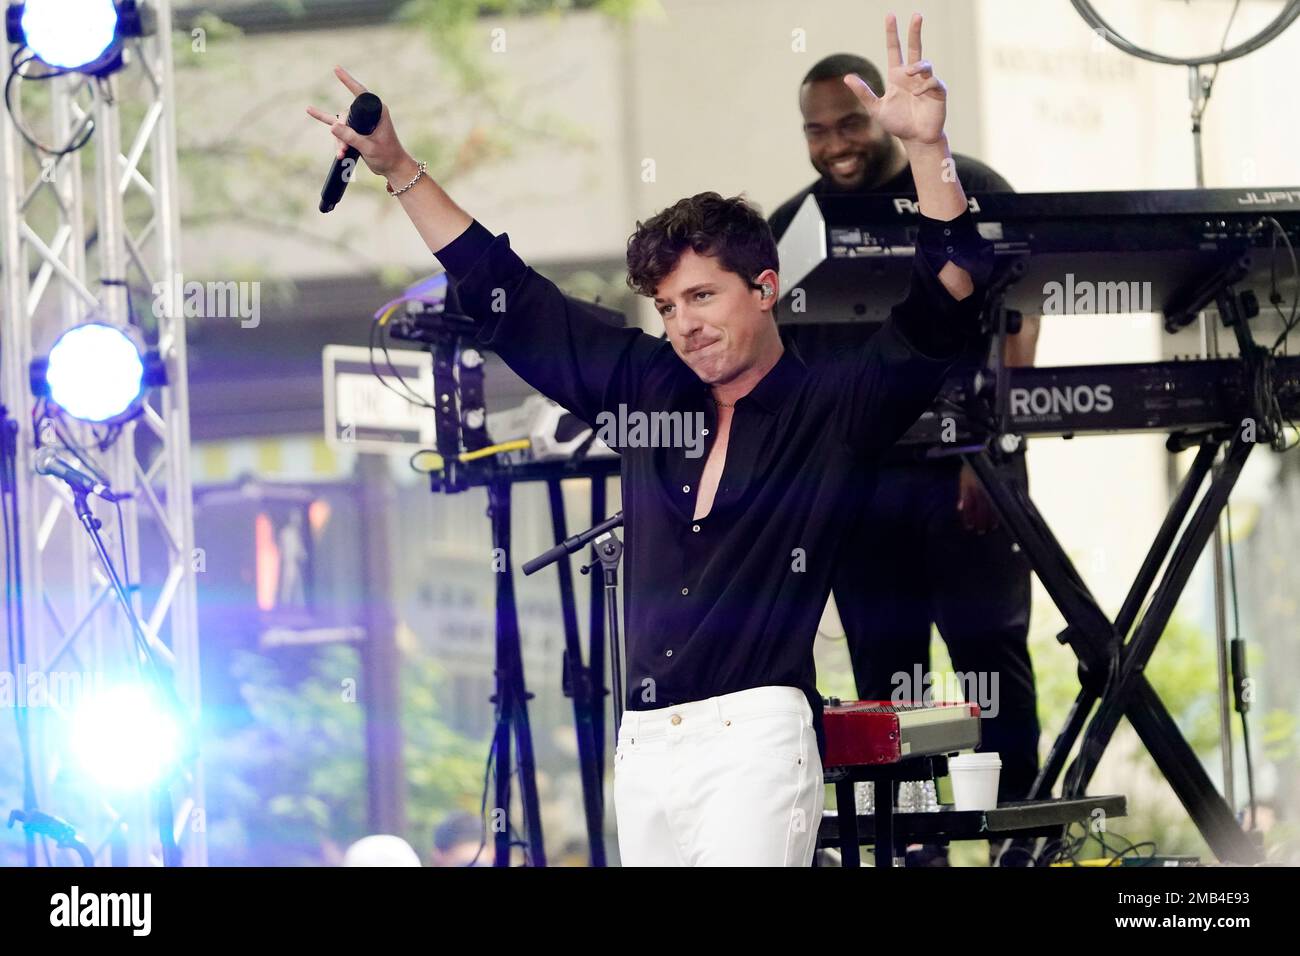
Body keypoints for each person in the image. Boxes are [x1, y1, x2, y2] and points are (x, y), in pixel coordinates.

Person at [308, 12, 995, 867]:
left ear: (765, 288)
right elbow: (510, 298)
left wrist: (929, 153)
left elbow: (952, 296)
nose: (684, 325)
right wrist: (401, 170)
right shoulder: (646, 385)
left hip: (757, 736)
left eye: (702, 298)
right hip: (645, 746)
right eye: (667, 307)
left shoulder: (833, 402)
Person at [769, 53, 1042, 865]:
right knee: (888, 675)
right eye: (817, 132)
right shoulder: (792, 227)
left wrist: (986, 448)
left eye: (849, 124)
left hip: (969, 466)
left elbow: (1020, 324)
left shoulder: (973, 184)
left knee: (988, 653)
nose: (835, 145)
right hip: (863, 485)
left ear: (878, 114)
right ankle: (914, 848)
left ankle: (1013, 842)